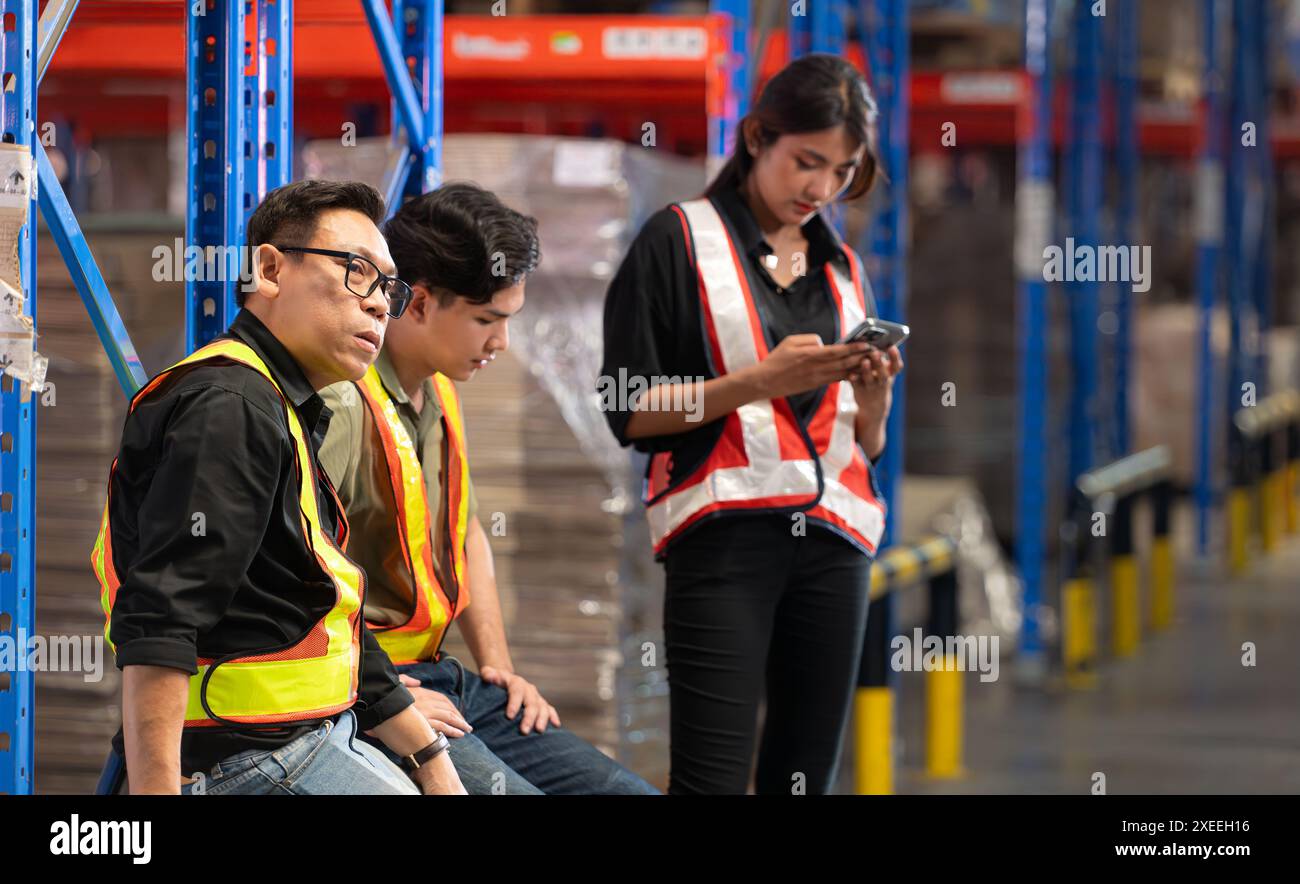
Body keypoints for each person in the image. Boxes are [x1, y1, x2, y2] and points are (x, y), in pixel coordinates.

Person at [93, 180, 466, 795]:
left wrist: (430, 758)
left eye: (389, 289)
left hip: (307, 738)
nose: (379, 305)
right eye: (357, 272)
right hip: (248, 763)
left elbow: (322, 608)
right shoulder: (229, 405)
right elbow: (161, 617)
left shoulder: (281, 407)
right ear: (270, 269)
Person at [599, 54, 904, 795]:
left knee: (804, 777)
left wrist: (875, 403)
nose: (820, 189)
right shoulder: (674, 242)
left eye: (842, 172)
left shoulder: (844, 270)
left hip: (836, 545)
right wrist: (756, 383)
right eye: (806, 162)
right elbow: (629, 408)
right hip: (724, 543)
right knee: (711, 779)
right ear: (757, 137)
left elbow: (866, 444)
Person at [318, 182, 659, 794]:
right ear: (417, 303)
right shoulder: (342, 405)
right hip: (368, 690)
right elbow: (298, 575)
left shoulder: (440, 392)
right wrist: (378, 699)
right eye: (486, 320)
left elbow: (464, 533)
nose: (500, 343)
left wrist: (499, 669)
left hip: (445, 678)